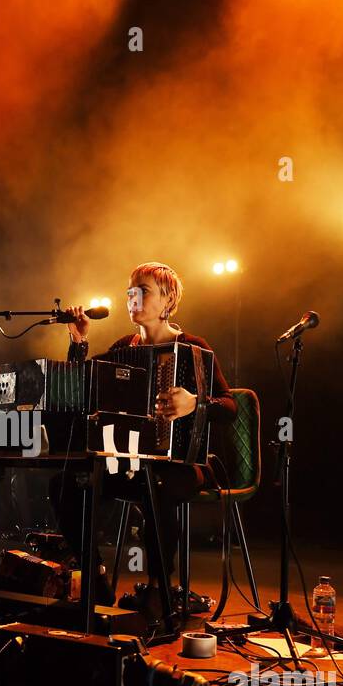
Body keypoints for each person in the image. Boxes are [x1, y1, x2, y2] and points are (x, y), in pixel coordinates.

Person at [50, 261, 237, 622]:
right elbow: (80, 388)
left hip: (183, 465)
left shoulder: (193, 347)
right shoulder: (124, 347)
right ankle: (96, 574)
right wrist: (79, 341)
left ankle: (157, 588)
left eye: (143, 290)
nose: (132, 298)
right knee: (64, 484)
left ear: (168, 298)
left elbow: (229, 407)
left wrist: (194, 402)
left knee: (159, 485)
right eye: (129, 292)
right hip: (129, 462)